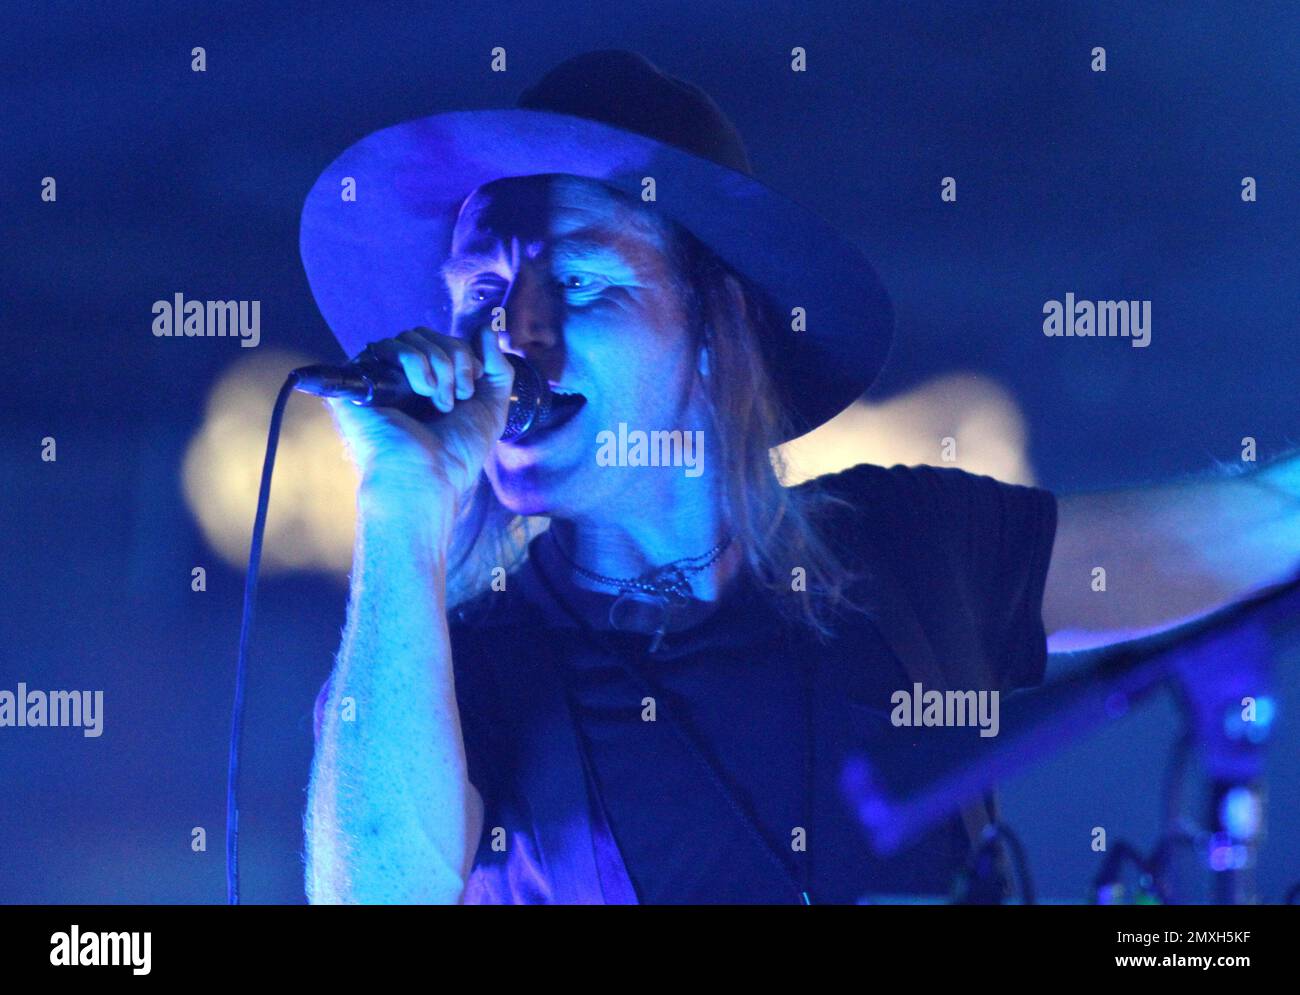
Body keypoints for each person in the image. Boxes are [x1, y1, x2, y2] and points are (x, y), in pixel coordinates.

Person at [300, 51, 1300, 904]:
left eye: (576, 282)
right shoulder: (446, 662)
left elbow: (1264, 524)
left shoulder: (909, 544)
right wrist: (400, 506)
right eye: (480, 289)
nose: (512, 338)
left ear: (712, 327)